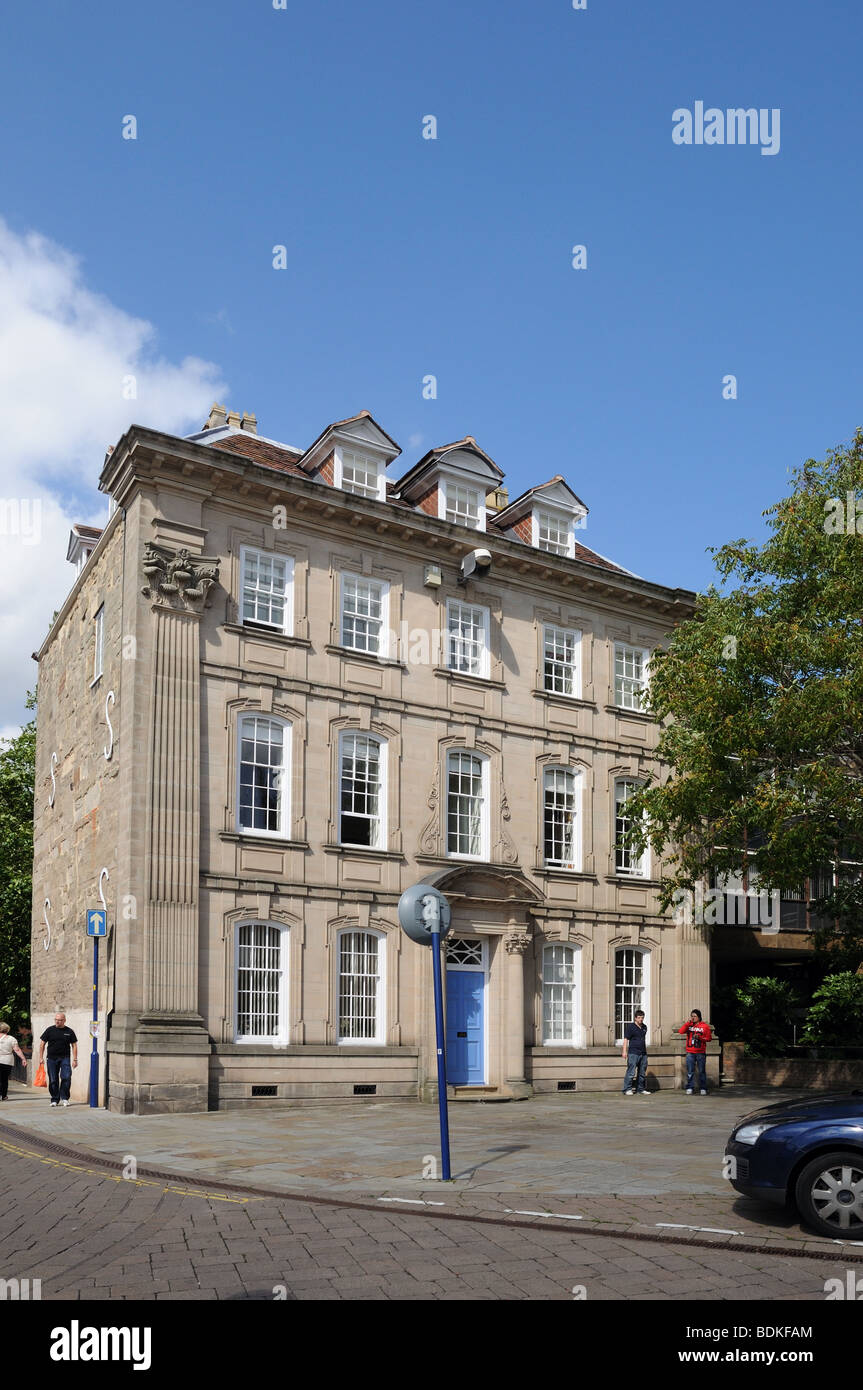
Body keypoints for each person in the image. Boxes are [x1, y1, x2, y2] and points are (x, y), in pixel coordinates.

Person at [38, 1012, 78, 1107]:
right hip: (51, 1058)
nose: (57, 1022)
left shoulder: (69, 1031)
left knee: (66, 1077)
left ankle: (65, 1098)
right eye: (56, 1019)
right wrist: (40, 1057)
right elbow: (42, 1044)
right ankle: (55, 1099)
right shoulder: (49, 1030)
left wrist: (75, 1059)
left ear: (64, 1020)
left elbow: (74, 1045)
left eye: (59, 1020)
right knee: (53, 1079)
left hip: (65, 1058)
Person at [677, 1009, 712, 1094]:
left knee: (701, 1071)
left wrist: (700, 1038)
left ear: (699, 1017)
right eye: (692, 1016)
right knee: (690, 1071)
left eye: (695, 1016)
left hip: (700, 1052)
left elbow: (709, 1038)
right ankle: (690, 1087)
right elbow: (680, 1031)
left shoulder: (704, 1026)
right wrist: (688, 1023)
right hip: (690, 1052)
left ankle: (703, 1088)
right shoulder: (689, 1025)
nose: (693, 1018)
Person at [621, 1008, 650, 1095]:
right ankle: (627, 1089)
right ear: (635, 1018)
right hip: (633, 1053)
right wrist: (624, 1051)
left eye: (642, 1017)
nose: (641, 1019)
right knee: (631, 1072)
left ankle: (640, 1089)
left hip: (643, 1053)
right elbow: (626, 1039)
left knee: (642, 1072)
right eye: (639, 1017)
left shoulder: (644, 1027)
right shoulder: (631, 1027)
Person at [0, 1023, 26, 1101]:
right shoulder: (11, 1039)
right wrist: (23, 1058)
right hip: (7, 1061)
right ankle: (4, 1096)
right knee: (4, 1079)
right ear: (7, 1029)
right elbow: (17, 1050)